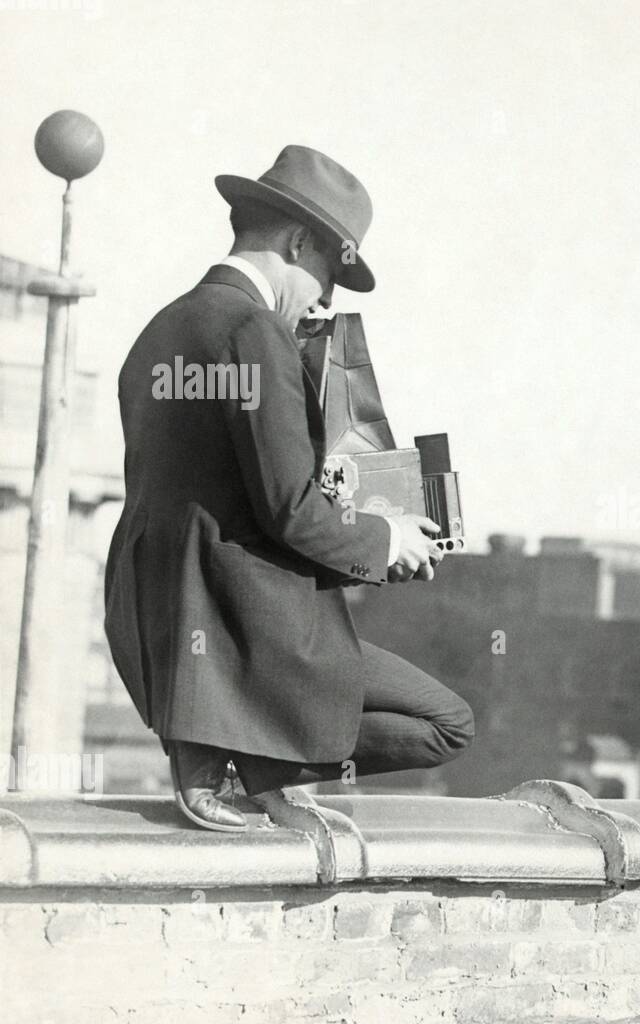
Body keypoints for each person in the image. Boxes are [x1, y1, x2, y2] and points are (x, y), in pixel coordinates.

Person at [104, 145, 474, 831]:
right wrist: (386, 536)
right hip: (249, 631)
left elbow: (215, 489)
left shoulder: (160, 328)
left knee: (426, 714)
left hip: (167, 625)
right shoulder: (253, 332)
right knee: (447, 721)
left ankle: (241, 759)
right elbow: (289, 512)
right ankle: (247, 759)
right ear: (298, 240)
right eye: (329, 274)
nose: (327, 300)